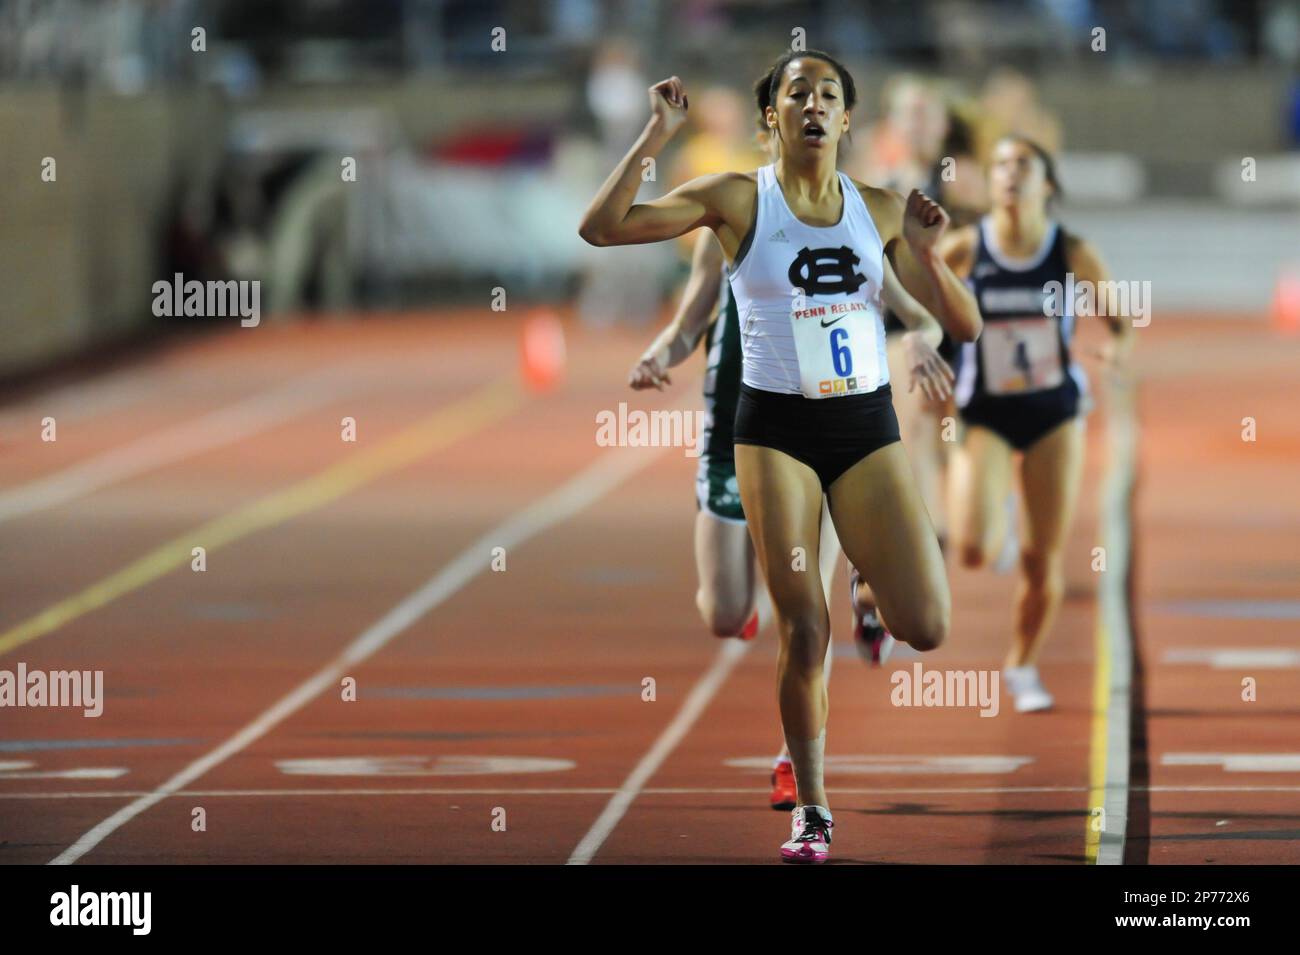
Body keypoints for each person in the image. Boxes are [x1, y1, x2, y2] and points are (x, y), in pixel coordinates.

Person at [580, 49, 981, 863]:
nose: (813, 105)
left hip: (863, 428)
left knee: (929, 624)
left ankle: (872, 577)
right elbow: (602, 227)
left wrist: (932, 255)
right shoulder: (737, 198)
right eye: (797, 92)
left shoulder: (878, 206)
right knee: (802, 625)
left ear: (845, 119)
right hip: (773, 433)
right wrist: (656, 132)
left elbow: (965, 327)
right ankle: (814, 806)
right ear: (773, 116)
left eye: (828, 95)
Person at [941, 136, 1132, 712]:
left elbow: (1120, 323)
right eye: (999, 165)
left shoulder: (1070, 251)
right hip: (988, 412)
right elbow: (918, 307)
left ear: (1047, 183)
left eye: (1023, 165)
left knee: (1041, 554)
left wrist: (1118, 351)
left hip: (1054, 413)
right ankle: (984, 490)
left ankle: (1022, 665)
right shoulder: (964, 249)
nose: (1009, 174)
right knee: (974, 549)